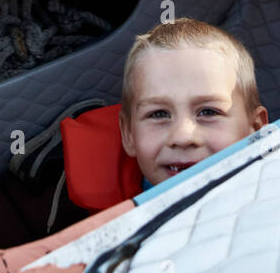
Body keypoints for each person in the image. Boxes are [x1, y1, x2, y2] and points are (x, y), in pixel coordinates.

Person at [61, 18, 269, 211]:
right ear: (129, 135)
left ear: (256, 128)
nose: (183, 137)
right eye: (159, 114)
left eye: (208, 111)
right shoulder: (111, 221)